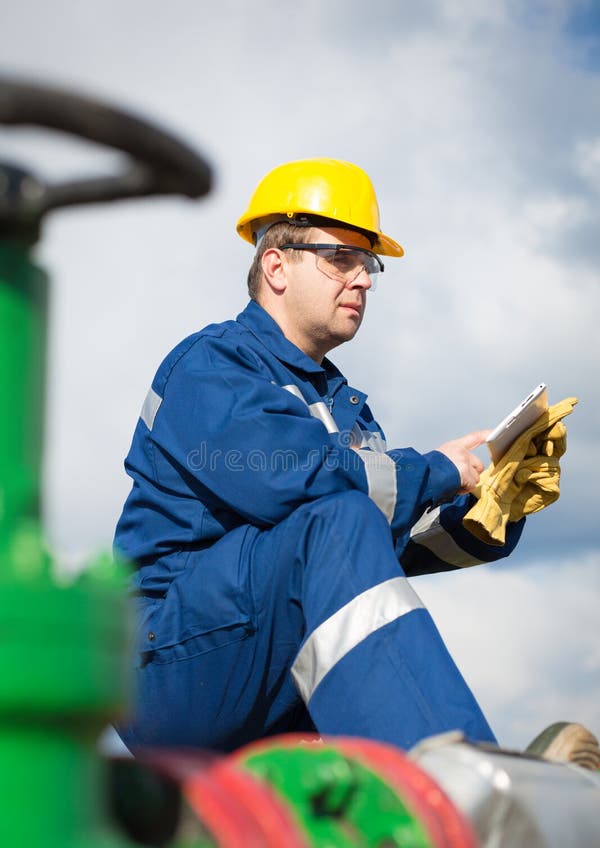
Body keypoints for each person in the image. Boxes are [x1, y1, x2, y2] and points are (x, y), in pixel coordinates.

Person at [114, 157, 527, 753]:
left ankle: (426, 781)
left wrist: (492, 509)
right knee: (339, 516)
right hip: (161, 665)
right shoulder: (211, 367)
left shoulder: (344, 409)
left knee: (348, 521)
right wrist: (439, 471)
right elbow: (299, 481)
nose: (362, 280)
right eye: (341, 258)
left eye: (368, 264)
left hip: (256, 659)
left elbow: (380, 546)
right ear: (276, 266)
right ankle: (453, 776)